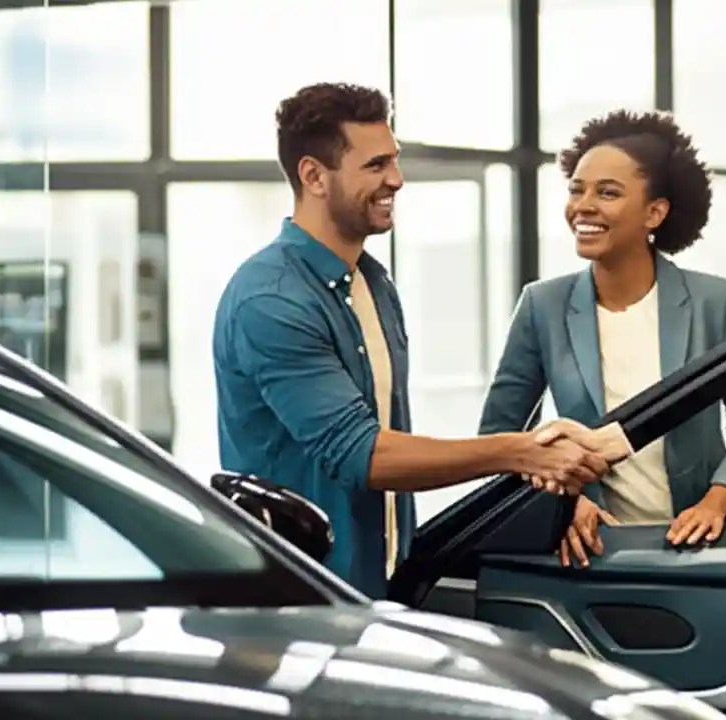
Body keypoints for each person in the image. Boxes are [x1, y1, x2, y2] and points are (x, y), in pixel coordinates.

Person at [212, 83, 616, 599]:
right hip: (302, 600)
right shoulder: (270, 299)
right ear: (314, 176)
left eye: (394, 161)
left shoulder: (373, 284)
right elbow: (364, 456)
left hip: (380, 586)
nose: (396, 180)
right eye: (375, 165)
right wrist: (521, 452)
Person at [478, 109, 726, 568]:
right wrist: (564, 503)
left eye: (608, 192)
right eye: (577, 189)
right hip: (591, 552)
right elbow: (499, 437)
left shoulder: (712, 301)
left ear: (655, 212)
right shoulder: (543, 305)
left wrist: (716, 503)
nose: (583, 206)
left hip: (703, 547)